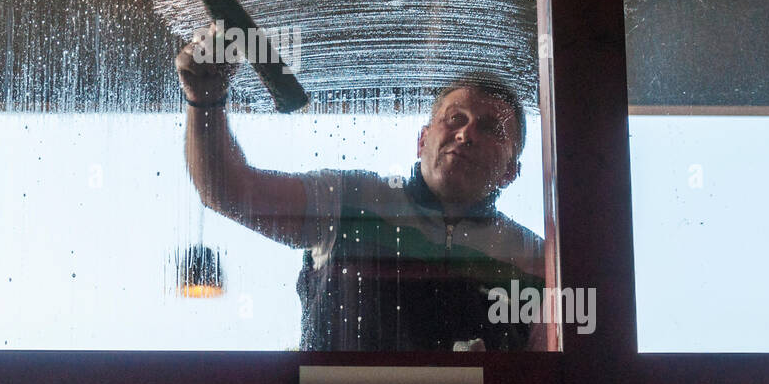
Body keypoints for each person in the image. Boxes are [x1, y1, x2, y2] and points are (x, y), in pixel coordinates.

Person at [177, 23, 547, 352]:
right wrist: (205, 100)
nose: (466, 134)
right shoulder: (348, 200)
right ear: (422, 141)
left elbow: (551, 379)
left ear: (510, 173)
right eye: (455, 119)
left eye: (490, 128)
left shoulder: (537, 261)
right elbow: (228, 191)